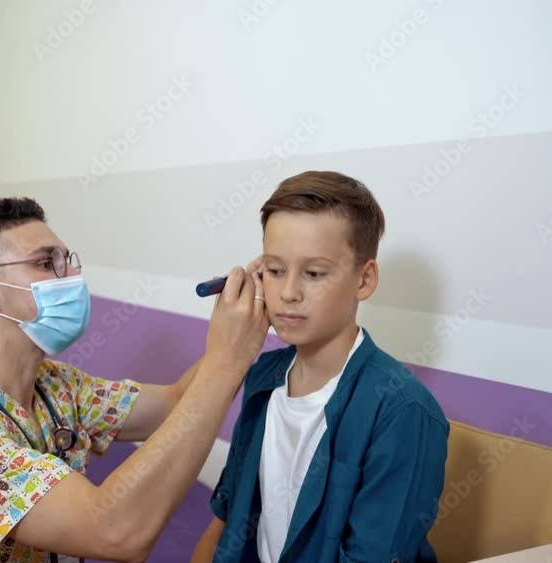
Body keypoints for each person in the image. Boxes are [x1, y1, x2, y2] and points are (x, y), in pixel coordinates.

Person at [0, 197, 271, 562]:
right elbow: (114, 534)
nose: (72, 276)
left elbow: (175, 404)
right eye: (46, 263)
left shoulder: (54, 384)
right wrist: (225, 360)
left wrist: (240, 326)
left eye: (67, 260)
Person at [192, 171, 450, 562]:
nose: (289, 293)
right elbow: (230, 515)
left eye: (313, 274)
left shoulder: (403, 413)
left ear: (364, 280)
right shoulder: (262, 376)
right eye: (275, 270)